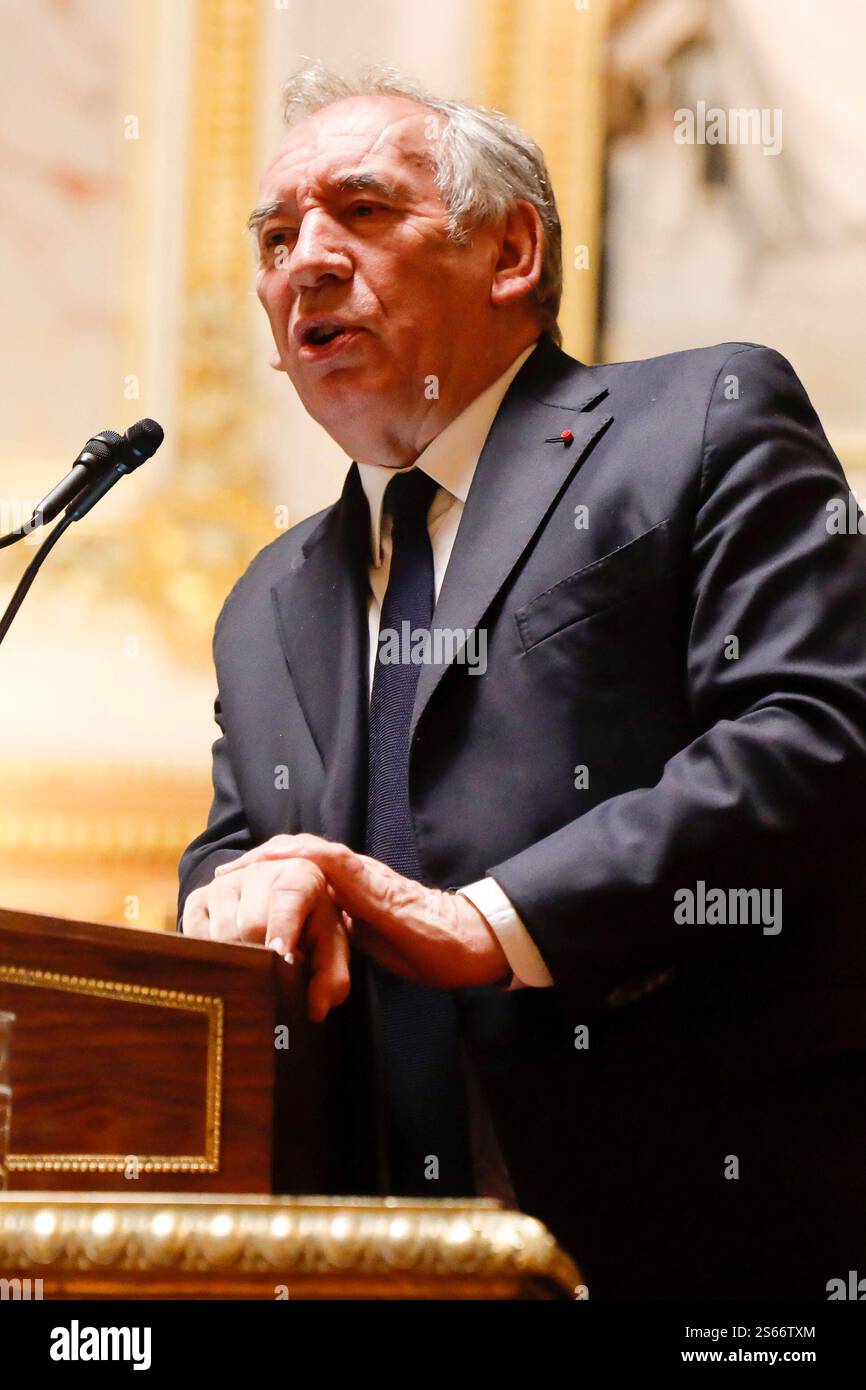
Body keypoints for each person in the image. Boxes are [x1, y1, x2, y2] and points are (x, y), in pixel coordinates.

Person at [179, 62, 866, 1299]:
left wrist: (489, 921)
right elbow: (231, 856)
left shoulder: (697, 423)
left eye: (363, 212)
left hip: (690, 1231)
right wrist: (225, 910)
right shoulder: (264, 603)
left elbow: (810, 735)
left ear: (511, 251)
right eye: (276, 238)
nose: (304, 264)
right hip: (360, 1256)